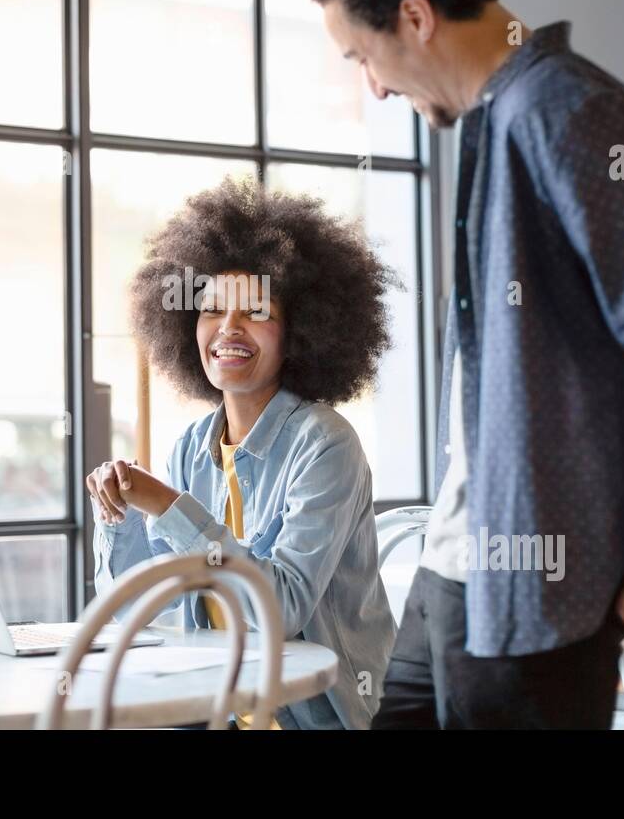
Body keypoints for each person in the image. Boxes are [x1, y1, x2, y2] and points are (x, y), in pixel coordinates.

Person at [298, 0, 624, 728]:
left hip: (532, 605)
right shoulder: (500, 118)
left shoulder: (564, 112)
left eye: (363, 55)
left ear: (417, 18)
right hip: (453, 574)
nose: (376, 88)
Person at [87, 180, 398, 729]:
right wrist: (117, 516)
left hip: (317, 719)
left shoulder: (325, 443)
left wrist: (169, 507)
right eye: (211, 311)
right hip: (213, 713)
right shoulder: (191, 447)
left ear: (299, 331)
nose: (228, 329)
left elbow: (281, 610)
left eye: (254, 313)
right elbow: (140, 609)